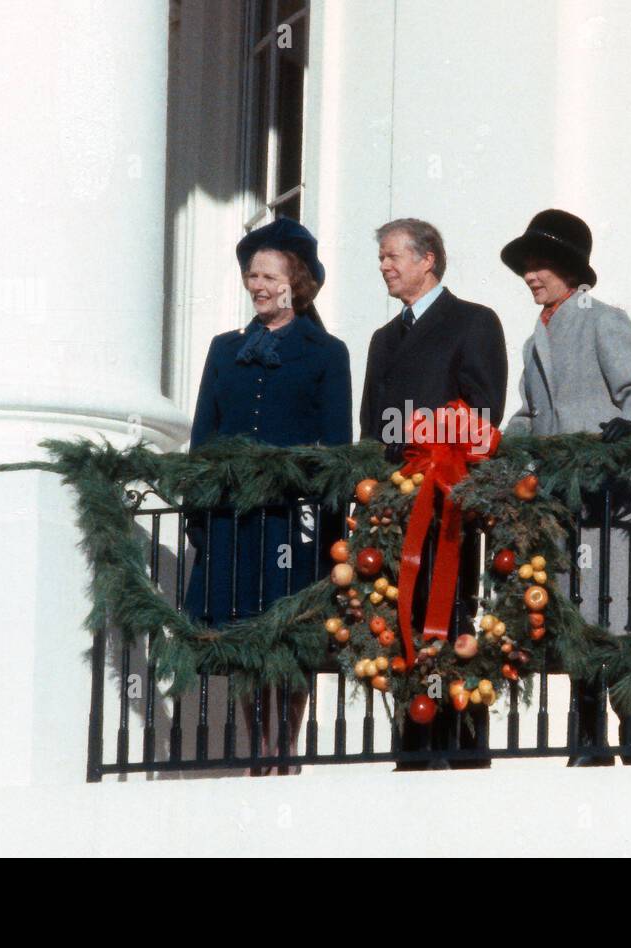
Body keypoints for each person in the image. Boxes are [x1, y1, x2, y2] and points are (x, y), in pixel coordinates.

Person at [184, 218, 352, 775]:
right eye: (251, 274)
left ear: (296, 283)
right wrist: (200, 517)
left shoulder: (327, 352)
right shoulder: (224, 349)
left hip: (293, 523)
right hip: (235, 520)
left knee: (292, 640)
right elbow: (203, 439)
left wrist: (327, 529)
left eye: (269, 275)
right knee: (242, 635)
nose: (257, 284)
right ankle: (260, 753)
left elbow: (335, 449)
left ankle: (285, 753)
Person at [500, 208, 631, 766]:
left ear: (571, 268)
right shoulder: (531, 339)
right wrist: (498, 446)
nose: (531, 276)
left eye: (541, 264)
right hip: (555, 503)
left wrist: (628, 429)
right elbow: (527, 414)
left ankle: (629, 725)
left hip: (603, 497)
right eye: (527, 266)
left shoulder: (601, 318)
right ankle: (586, 730)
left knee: (613, 612)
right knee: (570, 611)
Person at [361, 218, 508, 769]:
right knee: (398, 616)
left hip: (449, 503)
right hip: (395, 507)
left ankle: (460, 746)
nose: (384, 265)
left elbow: (484, 409)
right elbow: (372, 427)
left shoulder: (472, 322)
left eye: (393, 255)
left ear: (428, 260)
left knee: (451, 616)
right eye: (380, 256)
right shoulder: (383, 338)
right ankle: (413, 746)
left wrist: (431, 444)